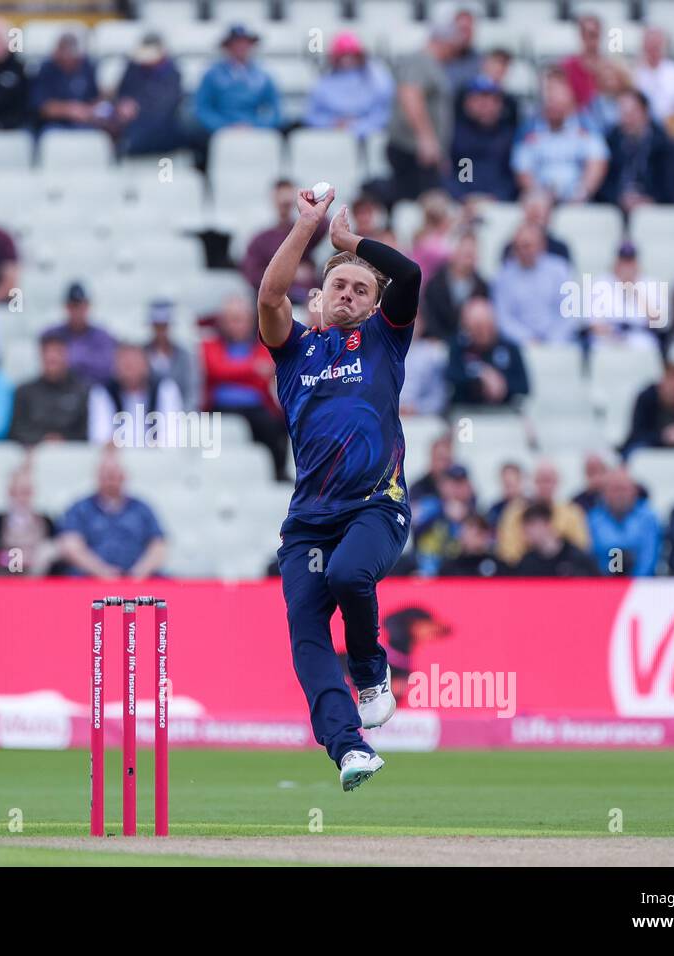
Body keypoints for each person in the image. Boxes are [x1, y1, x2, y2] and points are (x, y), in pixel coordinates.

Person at [259, 185, 421, 791]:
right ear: (320, 296)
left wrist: (350, 243)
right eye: (340, 285)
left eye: (361, 288)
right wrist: (306, 225)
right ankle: (349, 746)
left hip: (378, 507)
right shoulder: (296, 349)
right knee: (305, 634)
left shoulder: (385, 339)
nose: (349, 294)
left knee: (349, 575)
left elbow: (410, 273)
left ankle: (371, 669)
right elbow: (270, 295)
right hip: (308, 521)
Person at [201, 294, 287, 480]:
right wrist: (252, 369)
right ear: (222, 322)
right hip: (221, 408)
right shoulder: (210, 344)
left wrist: (235, 373)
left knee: (275, 426)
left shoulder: (263, 345)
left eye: (241, 320)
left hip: (256, 408)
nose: (236, 325)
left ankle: (277, 474)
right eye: (231, 320)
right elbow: (217, 370)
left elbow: (265, 373)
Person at [56, 452, 166, 578]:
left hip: (138, 579)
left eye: (115, 476)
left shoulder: (142, 508)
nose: (111, 481)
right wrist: (101, 571)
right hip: (89, 579)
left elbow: (159, 545)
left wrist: (139, 572)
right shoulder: (80, 509)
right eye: (107, 476)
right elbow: (70, 546)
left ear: (124, 476)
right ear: (98, 477)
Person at [511, 70, 609, 203]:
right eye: (548, 93)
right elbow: (522, 169)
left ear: (570, 95)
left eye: (557, 93)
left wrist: (581, 194)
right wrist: (538, 195)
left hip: (579, 200)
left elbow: (597, 164)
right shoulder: (528, 129)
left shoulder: (588, 127)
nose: (552, 99)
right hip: (539, 199)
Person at [385, 24, 456, 201]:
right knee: (416, 208)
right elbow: (409, 94)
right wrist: (426, 138)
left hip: (421, 151)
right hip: (412, 151)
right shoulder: (420, 60)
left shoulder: (431, 64)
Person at [240, 180, 329, 306]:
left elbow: (323, 226)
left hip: (309, 300)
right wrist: (290, 273)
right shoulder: (260, 239)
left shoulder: (303, 228)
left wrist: (310, 205)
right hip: (277, 304)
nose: (285, 204)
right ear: (273, 199)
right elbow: (251, 274)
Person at [495, 460, 591, 566]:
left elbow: (581, 546)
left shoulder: (572, 513)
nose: (545, 485)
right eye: (541, 480)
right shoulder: (515, 512)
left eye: (549, 480)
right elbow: (508, 552)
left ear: (557, 482)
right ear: (533, 481)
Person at [492, 224, 574, 345]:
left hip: (559, 343)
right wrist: (526, 339)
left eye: (527, 246)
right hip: (519, 345)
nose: (522, 251)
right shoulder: (504, 277)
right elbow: (503, 318)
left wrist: (554, 339)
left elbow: (571, 311)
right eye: (517, 247)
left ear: (541, 245)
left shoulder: (560, 271)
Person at [88, 341, 183, 446]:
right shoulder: (102, 392)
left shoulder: (165, 388)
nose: (130, 370)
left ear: (146, 366)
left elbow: (172, 434)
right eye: (125, 365)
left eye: (134, 363)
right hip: (117, 459)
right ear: (115, 368)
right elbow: (100, 436)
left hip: (157, 458)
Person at [193, 24, 280, 136]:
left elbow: (276, 109)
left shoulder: (263, 76)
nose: (240, 47)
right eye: (236, 43)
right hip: (219, 132)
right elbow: (202, 109)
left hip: (254, 130)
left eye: (244, 43)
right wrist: (223, 126)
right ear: (227, 47)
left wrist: (256, 126)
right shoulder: (212, 75)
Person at [303, 31, 393, 138]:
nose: (347, 60)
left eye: (351, 55)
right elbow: (312, 116)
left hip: (371, 135)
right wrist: (333, 123)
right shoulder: (323, 83)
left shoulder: (377, 77)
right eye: (342, 56)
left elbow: (384, 112)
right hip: (333, 137)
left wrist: (360, 126)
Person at [446, 295, 528, 408]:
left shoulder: (510, 348)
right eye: (478, 328)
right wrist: (481, 380)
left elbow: (524, 386)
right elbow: (451, 378)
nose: (484, 333)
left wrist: (503, 384)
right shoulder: (458, 347)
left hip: (504, 414)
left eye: (487, 326)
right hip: (466, 413)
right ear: (467, 327)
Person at [598, 89, 673, 210]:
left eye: (632, 113)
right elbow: (603, 184)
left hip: (655, 209)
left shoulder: (664, 144)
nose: (627, 119)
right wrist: (619, 199)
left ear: (646, 112)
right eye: (623, 113)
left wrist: (651, 199)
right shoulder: (610, 141)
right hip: (616, 208)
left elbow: (669, 184)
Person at [8, 332, 88, 444]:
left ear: (67, 355)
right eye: (48, 352)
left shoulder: (83, 391)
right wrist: (41, 440)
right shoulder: (24, 392)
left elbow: (87, 431)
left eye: (58, 352)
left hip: (74, 456)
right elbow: (16, 431)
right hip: (32, 455)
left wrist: (63, 439)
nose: (52, 357)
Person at [113, 32, 185, 156]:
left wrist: (136, 107)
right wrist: (124, 104)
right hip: (132, 123)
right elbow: (122, 93)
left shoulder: (172, 72)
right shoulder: (133, 67)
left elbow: (166, 104)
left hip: (162, 126)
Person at [447, 75, 516, 201]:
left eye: (492, 100)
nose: (485, 106)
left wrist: (496, 197)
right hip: (461, 203)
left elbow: (513, 177)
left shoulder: (510, 136)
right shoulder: (455, 135)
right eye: (479, 100)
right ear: (467, 103)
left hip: (501, 204)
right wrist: (463, 197)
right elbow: (450, 174)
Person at [586, 465, 661, 576]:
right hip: (602, 583)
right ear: (604, 493)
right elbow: (591, 556)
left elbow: (649, 557)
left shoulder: (648, 519)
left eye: (624, 489)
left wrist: (632, 585)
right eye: (615, 489)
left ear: (634, 491)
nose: (620, 495)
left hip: (641, 585)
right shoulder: (592, 520)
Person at [0, 466, 56, 577]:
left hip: (38, 582)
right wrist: (21, 558)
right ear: (10, 493)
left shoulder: (46, 522)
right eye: (18, 492)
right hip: (5, 580)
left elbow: (53, 560)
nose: (23, 498)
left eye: (27, 492)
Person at [43, 281, 117, 386]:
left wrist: (72, 360)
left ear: (88, 306)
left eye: (80, 306)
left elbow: (107, 368)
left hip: (95, 391)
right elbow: (50, 368)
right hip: (60, 392)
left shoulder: (102, 336)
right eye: (73, 306)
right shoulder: (52, 334)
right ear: (66, 307)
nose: (77, 311)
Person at [421, 231, 488, 341]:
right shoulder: (435, 284)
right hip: (438, 342)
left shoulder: (482, 286)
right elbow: (429, 317)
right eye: (466, 254)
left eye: (472, 254)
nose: (469, 259)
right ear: (454, 253)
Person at [623, 363, 674, 456]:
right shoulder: (646, 398)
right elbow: (637, 433)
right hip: (647, 444)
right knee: (634, 451)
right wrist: (663, 437)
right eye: (673, 389)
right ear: (662, 385)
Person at [30, 33, 100, 133]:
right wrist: (70, 110)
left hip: (85, 123)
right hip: (54, 125)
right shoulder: (46, 69)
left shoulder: (86, 67)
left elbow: (96, 99)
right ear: (57, 53)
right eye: (64, 53)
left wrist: (88, 111)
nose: (67, 58)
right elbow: (42, 107)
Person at [514, 502, 600, 576]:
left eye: (532, 525)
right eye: (525, 527)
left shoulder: (575, 557)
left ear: (547, 525)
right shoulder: (527, 563)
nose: (527, 532)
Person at [143, 298, 198, 410]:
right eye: (157, 326)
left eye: (164, 326)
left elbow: (192, 391)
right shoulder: (142, 354)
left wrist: (182, 417)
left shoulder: (184, 356)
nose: (161, 331)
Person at [633, 27, 674, 124]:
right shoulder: (634, 74)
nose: (653, 49)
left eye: (657, 45)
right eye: (649, 45)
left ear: (665, 45)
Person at [437, 513, 509, 577]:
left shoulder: (497, 566)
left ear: (487, 534)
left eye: (478, 532)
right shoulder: (450, 568)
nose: (472, 537)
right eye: (468, 531)